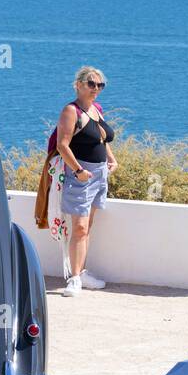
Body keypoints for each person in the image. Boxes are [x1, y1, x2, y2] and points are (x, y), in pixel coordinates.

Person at [52, 66, 116, 295]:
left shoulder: (96, 109)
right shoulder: (71, 111)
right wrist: (78, 170)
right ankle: (74, 278)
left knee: (88, 226)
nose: (96, 89)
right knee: (79, 228)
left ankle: (82, 271)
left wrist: (111, 159)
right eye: (91, 84)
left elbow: (102, 139)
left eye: (100, 85)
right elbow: (62, 145)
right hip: (81, 175)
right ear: (78, 85)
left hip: (99, 174)